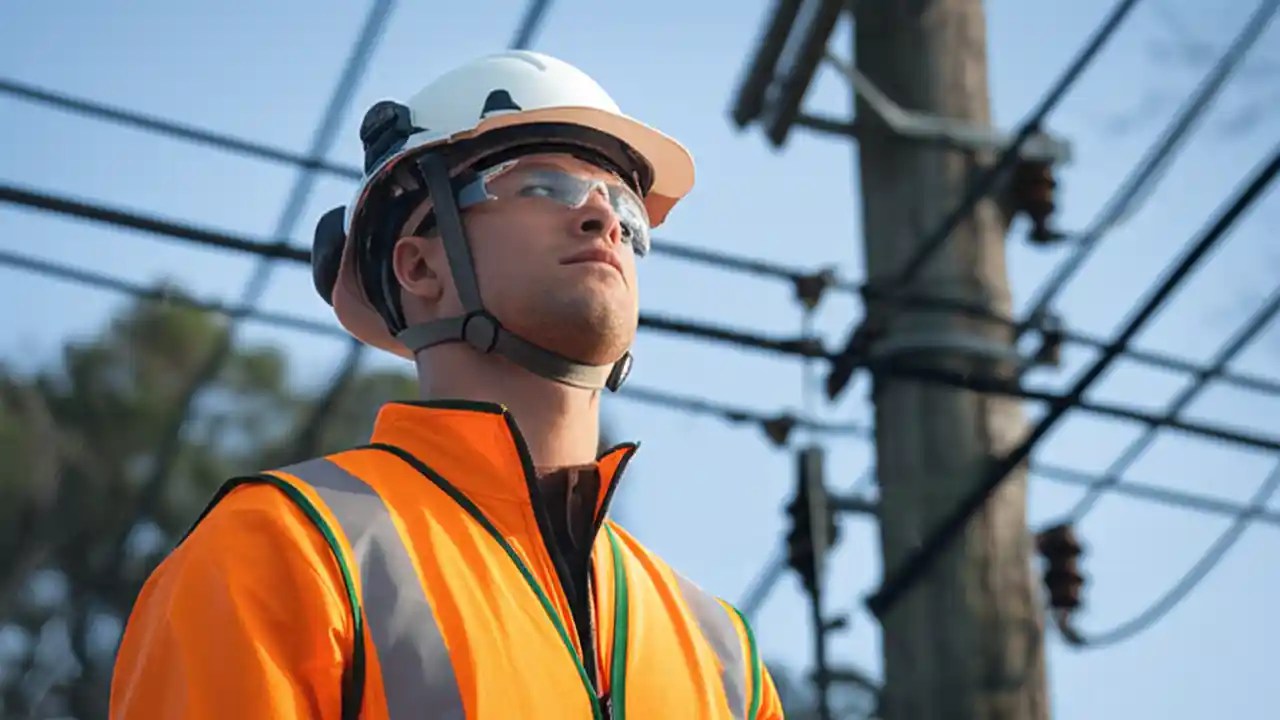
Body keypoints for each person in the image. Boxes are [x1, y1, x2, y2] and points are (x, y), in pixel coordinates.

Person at [110, 50, 784, 719]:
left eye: (625, 209)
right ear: (418, 266)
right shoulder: (283, 553)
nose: (604, 219)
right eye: (544, 186)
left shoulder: (724, 661)